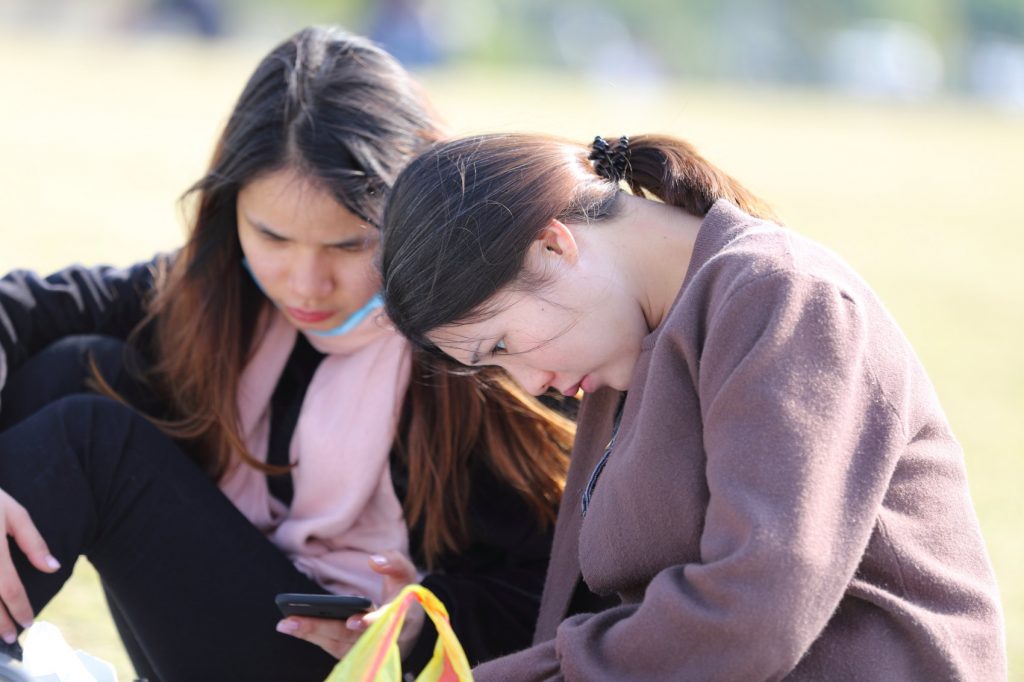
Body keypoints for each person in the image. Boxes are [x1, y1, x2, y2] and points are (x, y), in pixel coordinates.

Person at [0, 29, 574, 680]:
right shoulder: (220, 293)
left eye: (351, 245)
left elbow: (564, 598)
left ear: (417, 215)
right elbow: (21, 306)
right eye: (272, 235)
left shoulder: (489, 347)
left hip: (372, 666)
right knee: (73, 367)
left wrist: (422, 624)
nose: (305, 284)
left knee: (92, 441)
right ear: (229, 212)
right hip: (249, 626)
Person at [377, 132, 1007, 679]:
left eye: (504, 345)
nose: (529, 382)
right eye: (493, 368)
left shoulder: (780, 297)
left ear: (552, 246)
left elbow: (755, 607)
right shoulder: (631, 346)